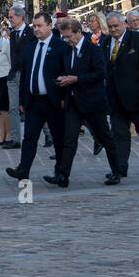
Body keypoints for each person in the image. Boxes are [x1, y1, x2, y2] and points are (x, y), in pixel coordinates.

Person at [50, 18, 121, 188]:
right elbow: (65, 70)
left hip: (93, 102)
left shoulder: (93, 50)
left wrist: (76, 79)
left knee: (105, 137)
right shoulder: (67, 50)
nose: (67, 40)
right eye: (65, 37)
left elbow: (100, 74)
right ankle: (63, 175)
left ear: (78, 32)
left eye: (69, 36)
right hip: (73, 101)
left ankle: (117, 171)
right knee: (69, 140)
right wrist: (62, 80)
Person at [5, 12, 69, 184]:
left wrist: (63, 98)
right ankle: (23, 170)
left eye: (40, 25)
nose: (37, 29)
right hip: (34, 101)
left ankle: (61, 173)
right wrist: (22, 101)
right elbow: (26, 75)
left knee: (58, 138)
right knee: (29, 138)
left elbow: (66, 73)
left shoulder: (60, 46)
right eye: (35, 26)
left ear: (49, 25)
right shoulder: (31, 47)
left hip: (53, 101)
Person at [103, 11, 139, 180]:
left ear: (124, 24)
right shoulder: (106, 43)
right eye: (110, 27)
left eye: (116, 26)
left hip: (138, 97)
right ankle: (120, 169)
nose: (113, 29)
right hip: (116, 99)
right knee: (119, 135)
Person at [3, 5, 29, 150]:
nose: (10, 19)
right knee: (13, 107)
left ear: (20, 17)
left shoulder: (30, 33)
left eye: (12, 17)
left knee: (32, 106)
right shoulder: (12, 34)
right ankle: (15, 139)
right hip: (13, 75)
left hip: (26, 74)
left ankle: (49, 135)